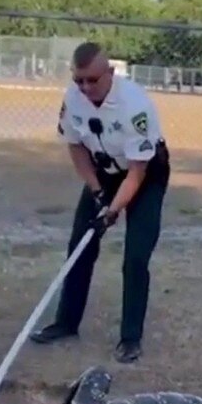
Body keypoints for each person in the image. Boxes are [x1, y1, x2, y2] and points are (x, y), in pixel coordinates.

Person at [28, 41, 171, 363]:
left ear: (109, 72)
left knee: (135, 256)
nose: (85, 87)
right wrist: (97, 192)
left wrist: (113, 210)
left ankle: (130, 338)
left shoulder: (135, 105)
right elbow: (76, 148)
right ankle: (66, 322)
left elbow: (137, 173)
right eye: (79, 80)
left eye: (92, 80)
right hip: (103, 172)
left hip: (145, 174)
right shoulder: (73, 99)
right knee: (80, 246)